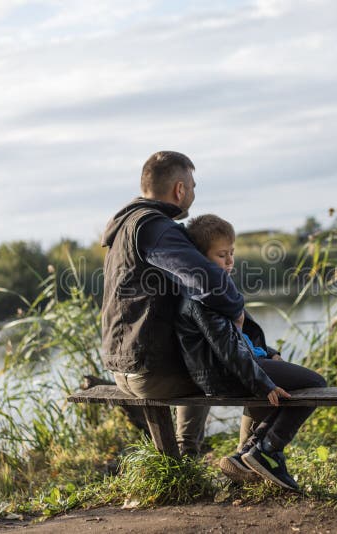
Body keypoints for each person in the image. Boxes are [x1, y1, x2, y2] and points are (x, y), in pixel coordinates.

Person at [100, 151, 245, 456]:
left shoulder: (125, 226)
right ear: (180, 189)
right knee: (260, 371)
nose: (193, 192)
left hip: (122, 366)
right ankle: (251, 458)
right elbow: (207, 280)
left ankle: (186, 458)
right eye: (192, 185)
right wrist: (236, 310)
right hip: (148, 372)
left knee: (200, 349)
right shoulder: (155, 227)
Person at [176, 214, 327, 491]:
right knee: (317, 384)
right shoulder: (201, 293)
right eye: (222, 255)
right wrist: (261, 381)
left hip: (245, 362)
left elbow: (241, 336)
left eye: (232, 253)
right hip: (227, 372)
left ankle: (247, 454)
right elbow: (225, 347)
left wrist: (269, 353)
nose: (230, 261)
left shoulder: (216, 287)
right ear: (199, 259)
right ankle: (268, 448)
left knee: (299, 384)